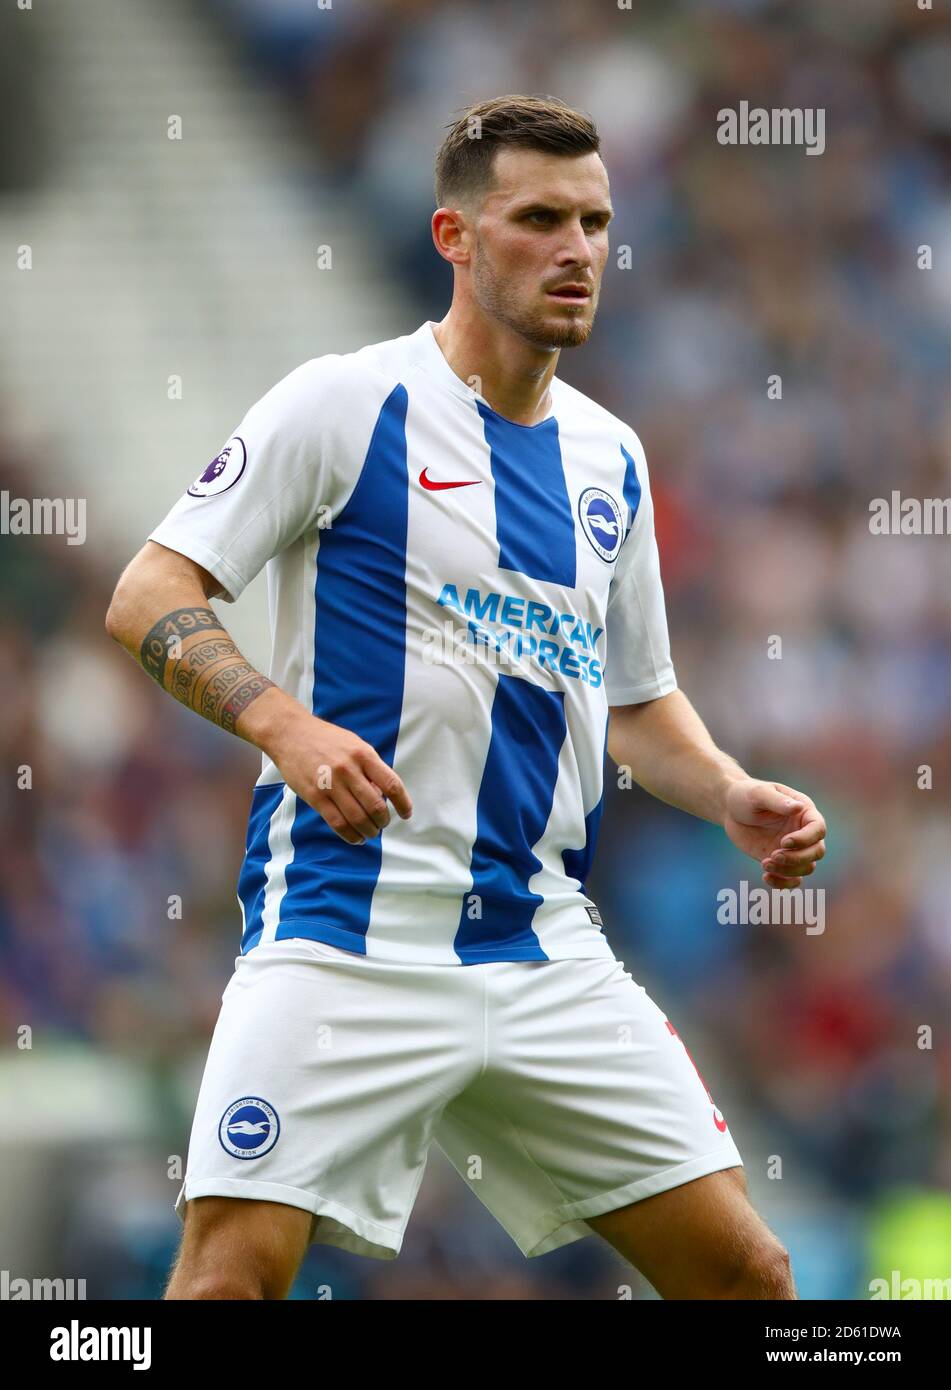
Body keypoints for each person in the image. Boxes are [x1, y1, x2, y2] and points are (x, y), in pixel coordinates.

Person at [105, 94, 826, 1300]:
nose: (577, 250)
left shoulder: (613, 458)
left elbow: (636, 702)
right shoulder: (345, 404)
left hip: (541, 944)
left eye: (595, 222)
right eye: (539, 218)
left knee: (751, 1276)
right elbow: (146, 591)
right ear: (454, 236)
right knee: (227, 1282)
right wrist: (285, 728)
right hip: (344, 937)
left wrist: (731, 790)